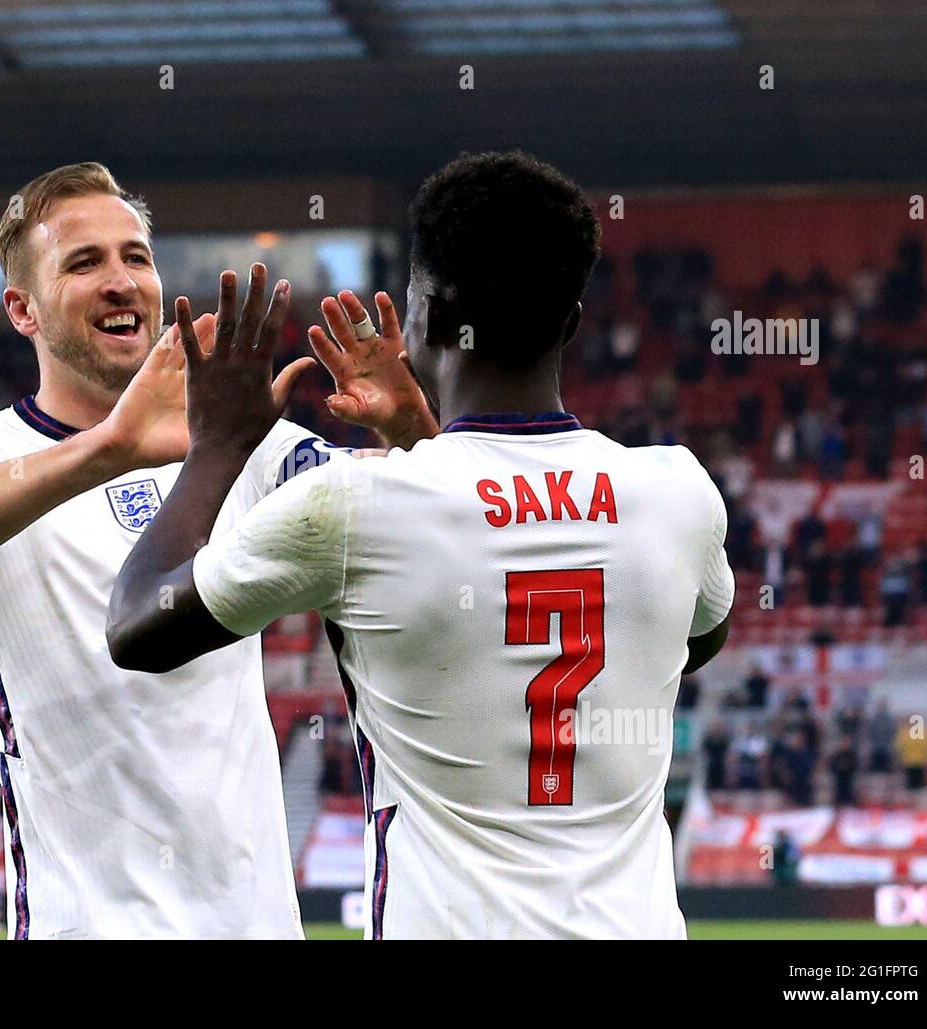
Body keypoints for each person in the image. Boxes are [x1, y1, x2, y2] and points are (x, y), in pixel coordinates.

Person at [107, 150, 735, 939]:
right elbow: (694, 637)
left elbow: (137, 625)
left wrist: (216, 445)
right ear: (572, 322)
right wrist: (418, 435)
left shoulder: (357, 505)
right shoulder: (678, 491)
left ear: (426, 318)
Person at [0, 162, 432, 940]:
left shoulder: (238, 445)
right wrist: (113, 447)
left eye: (135, 256)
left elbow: (426, 516)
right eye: (84, 262)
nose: (121, 280)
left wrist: (411, 432)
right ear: (22, 309)